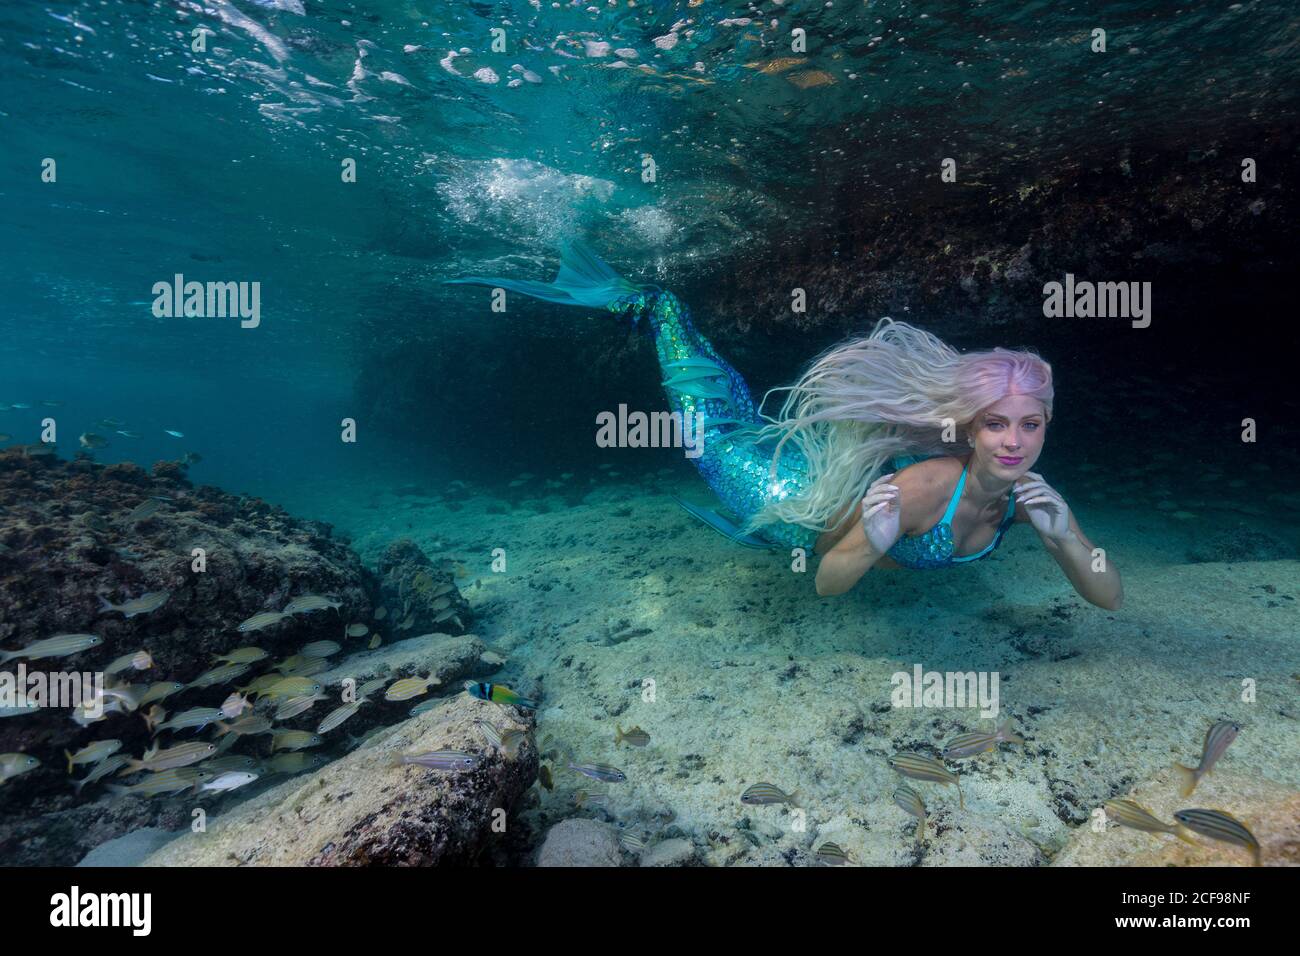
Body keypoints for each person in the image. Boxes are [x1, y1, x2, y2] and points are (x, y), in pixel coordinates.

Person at [449, 243, 1122, 610]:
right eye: (997, 424)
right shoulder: (927, 487)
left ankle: (649, 302)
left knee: (738, 412)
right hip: (775, 496)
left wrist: (1066, 540)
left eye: (1030, 425)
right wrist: (874, 539)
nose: (1014, 442)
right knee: (715, 431)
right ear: (972, 430)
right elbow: (827, 582)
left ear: (1046, 425)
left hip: (814, 488)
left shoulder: (1031, 498)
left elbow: (1107, 597)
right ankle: (651, 302)